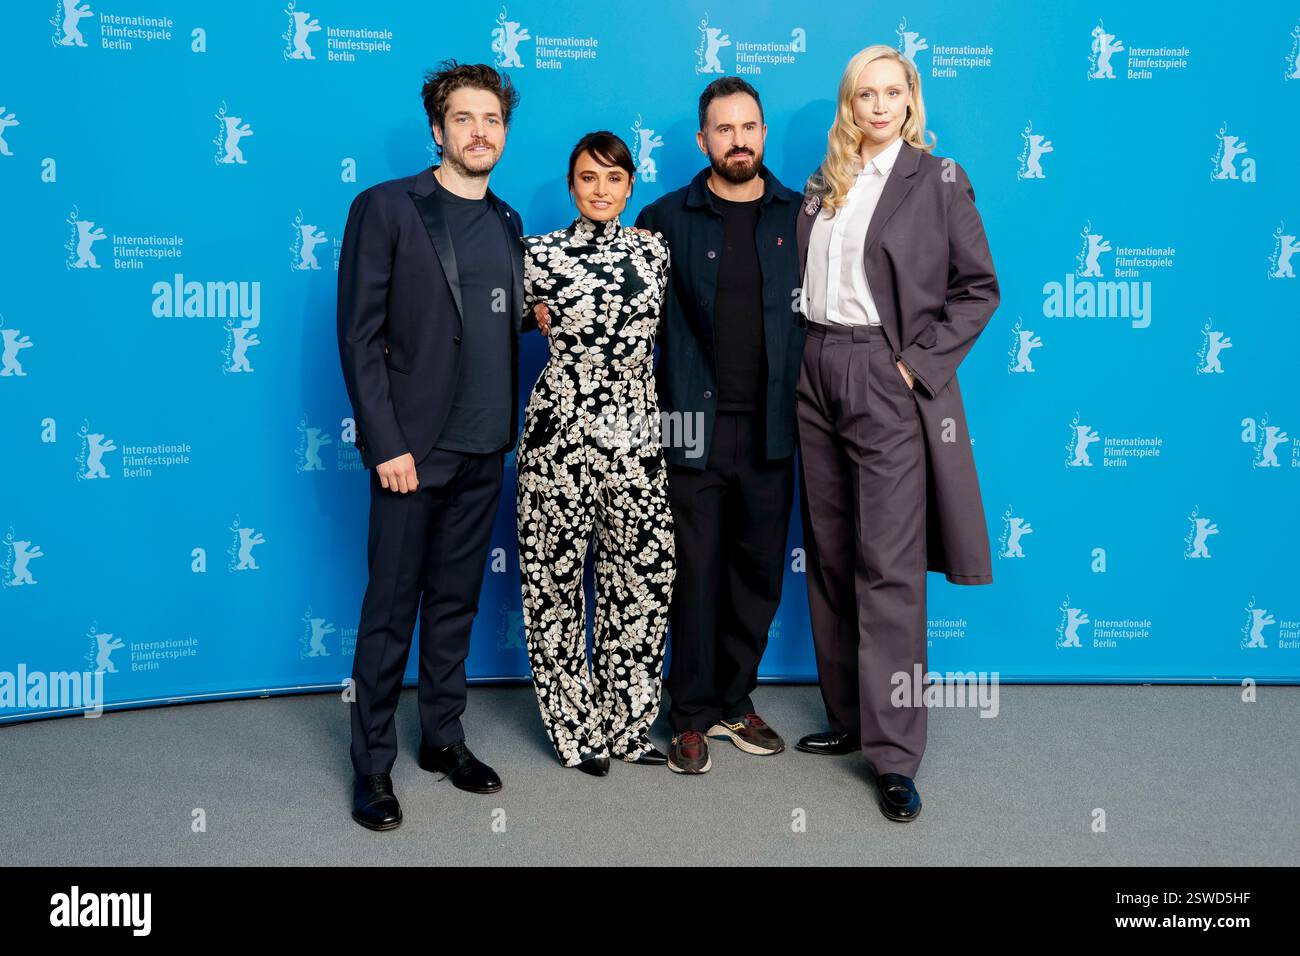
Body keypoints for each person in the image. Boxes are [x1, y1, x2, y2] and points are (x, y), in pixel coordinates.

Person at [793, 45, 999, 822]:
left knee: (888, 566)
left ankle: (893, 753)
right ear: (849, 103)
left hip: (885, 372)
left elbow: (979, 288)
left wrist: (914, 367)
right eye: (865, 94)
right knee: (832, 551)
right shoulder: (825, 182)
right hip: (815, 366)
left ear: (912, 99)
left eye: (893, 92)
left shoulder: (938, 180)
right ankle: (848, 717)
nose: (879, 106)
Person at [336, 61, 527, 831]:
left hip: (486, 450)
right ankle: (372, 766)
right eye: (464, 118)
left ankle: (443, 740)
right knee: (390, 614)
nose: (480, 132)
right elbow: (359, 336)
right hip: (411, 455)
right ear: (437, 130)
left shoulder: (510, 222)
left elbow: (494, 324)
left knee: (455, 606)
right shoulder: (387, 209)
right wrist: (386, 442)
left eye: (492, 120)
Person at [633, 77, 805, 775]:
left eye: (750, 127)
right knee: (693, 573)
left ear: (763, 134)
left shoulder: (803, 216)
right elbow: (624, 311)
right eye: (724, 129)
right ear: (702, 141)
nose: (739, 140)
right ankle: (692, 713)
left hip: (773, 421)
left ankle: (736, 700)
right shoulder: (665, 216)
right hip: (686, 423)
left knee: (758, 573)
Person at [517, 131, 675, 776]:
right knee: (552, 580)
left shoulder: (656, 250)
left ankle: (626, 726)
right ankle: (574, 731)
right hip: (558, 432)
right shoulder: (538, 254)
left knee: (642, 577)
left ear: (631, 186)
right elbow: (492, 319)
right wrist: (531, 316)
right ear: (572, 185)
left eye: (614, 178)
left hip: (637, 432)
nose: (601, 190)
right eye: (588, 178)